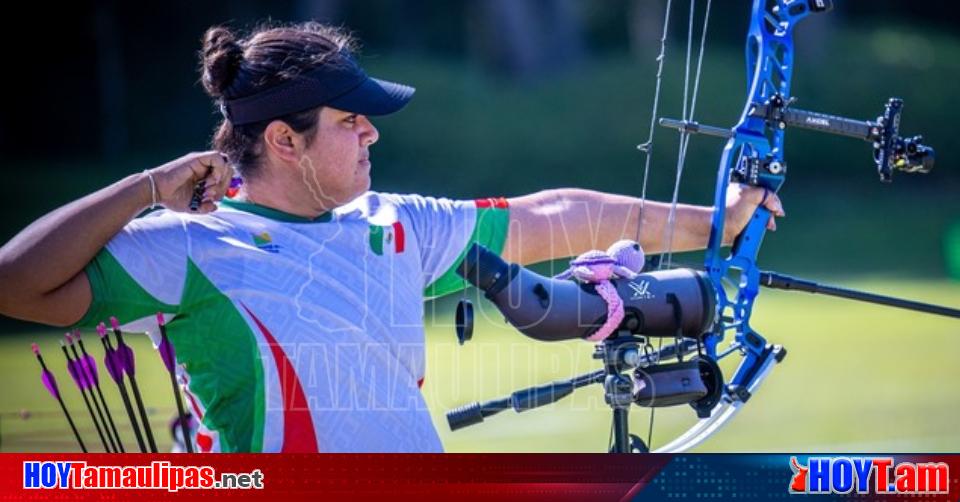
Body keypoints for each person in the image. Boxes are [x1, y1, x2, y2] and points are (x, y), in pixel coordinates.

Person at [0, 22, 783, 452]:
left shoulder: (396, 223)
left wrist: (715, 223)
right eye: (349, 120)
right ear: (284, 140)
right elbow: (15, 282)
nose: (371, 132)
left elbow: (551, 213)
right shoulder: (187, 246)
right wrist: (144, 188)